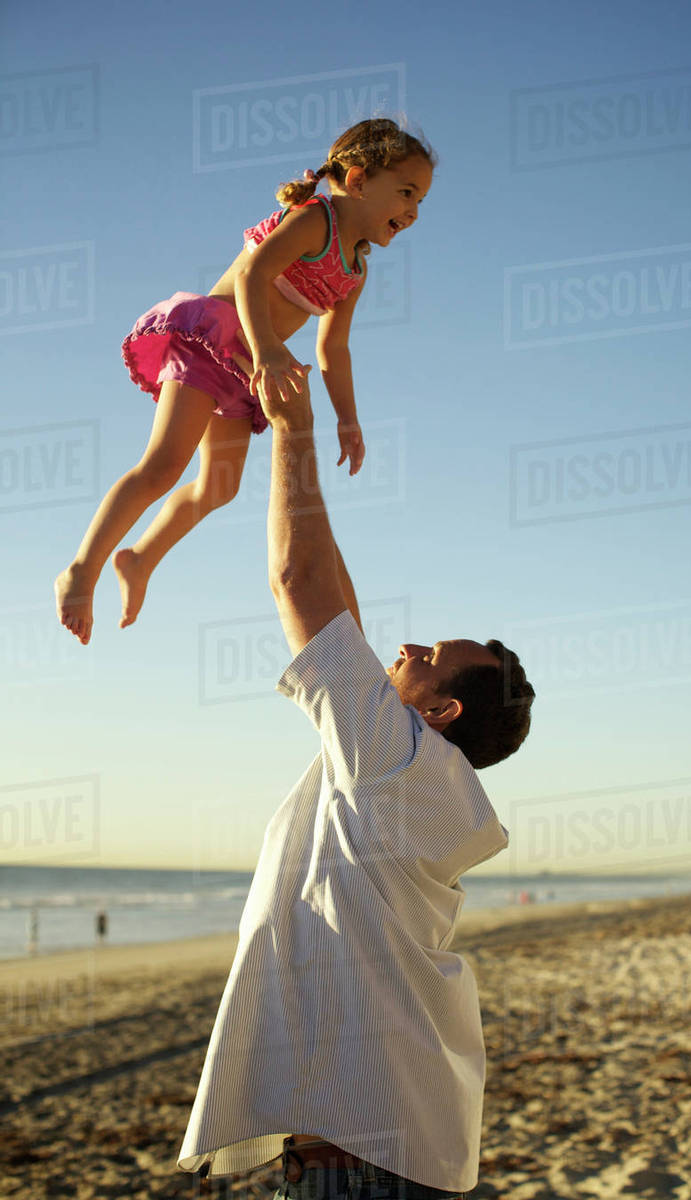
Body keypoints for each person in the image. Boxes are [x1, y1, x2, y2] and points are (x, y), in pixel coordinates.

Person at [177, 367, 535, 1198]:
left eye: (429, 657)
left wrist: (294, 430)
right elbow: (338, 606)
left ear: (441, 710)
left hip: (361, 1166)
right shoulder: (414, 774)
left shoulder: (397, 764)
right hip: (387, 1149)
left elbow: (299, 585)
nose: (405, 648)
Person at [55, 118, 435, 645]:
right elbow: (254, 276)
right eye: (407, 193)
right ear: (358, 179)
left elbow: (333, 348)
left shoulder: (355, 269)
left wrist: (348, 418)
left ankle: (140, 558)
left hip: (248, 368)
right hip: (214, 342)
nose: (414, 212)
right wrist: (270, 349)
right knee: (164, 464)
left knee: (220, 487)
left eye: (421, 201)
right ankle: (81, 567)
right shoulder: (313, 220)